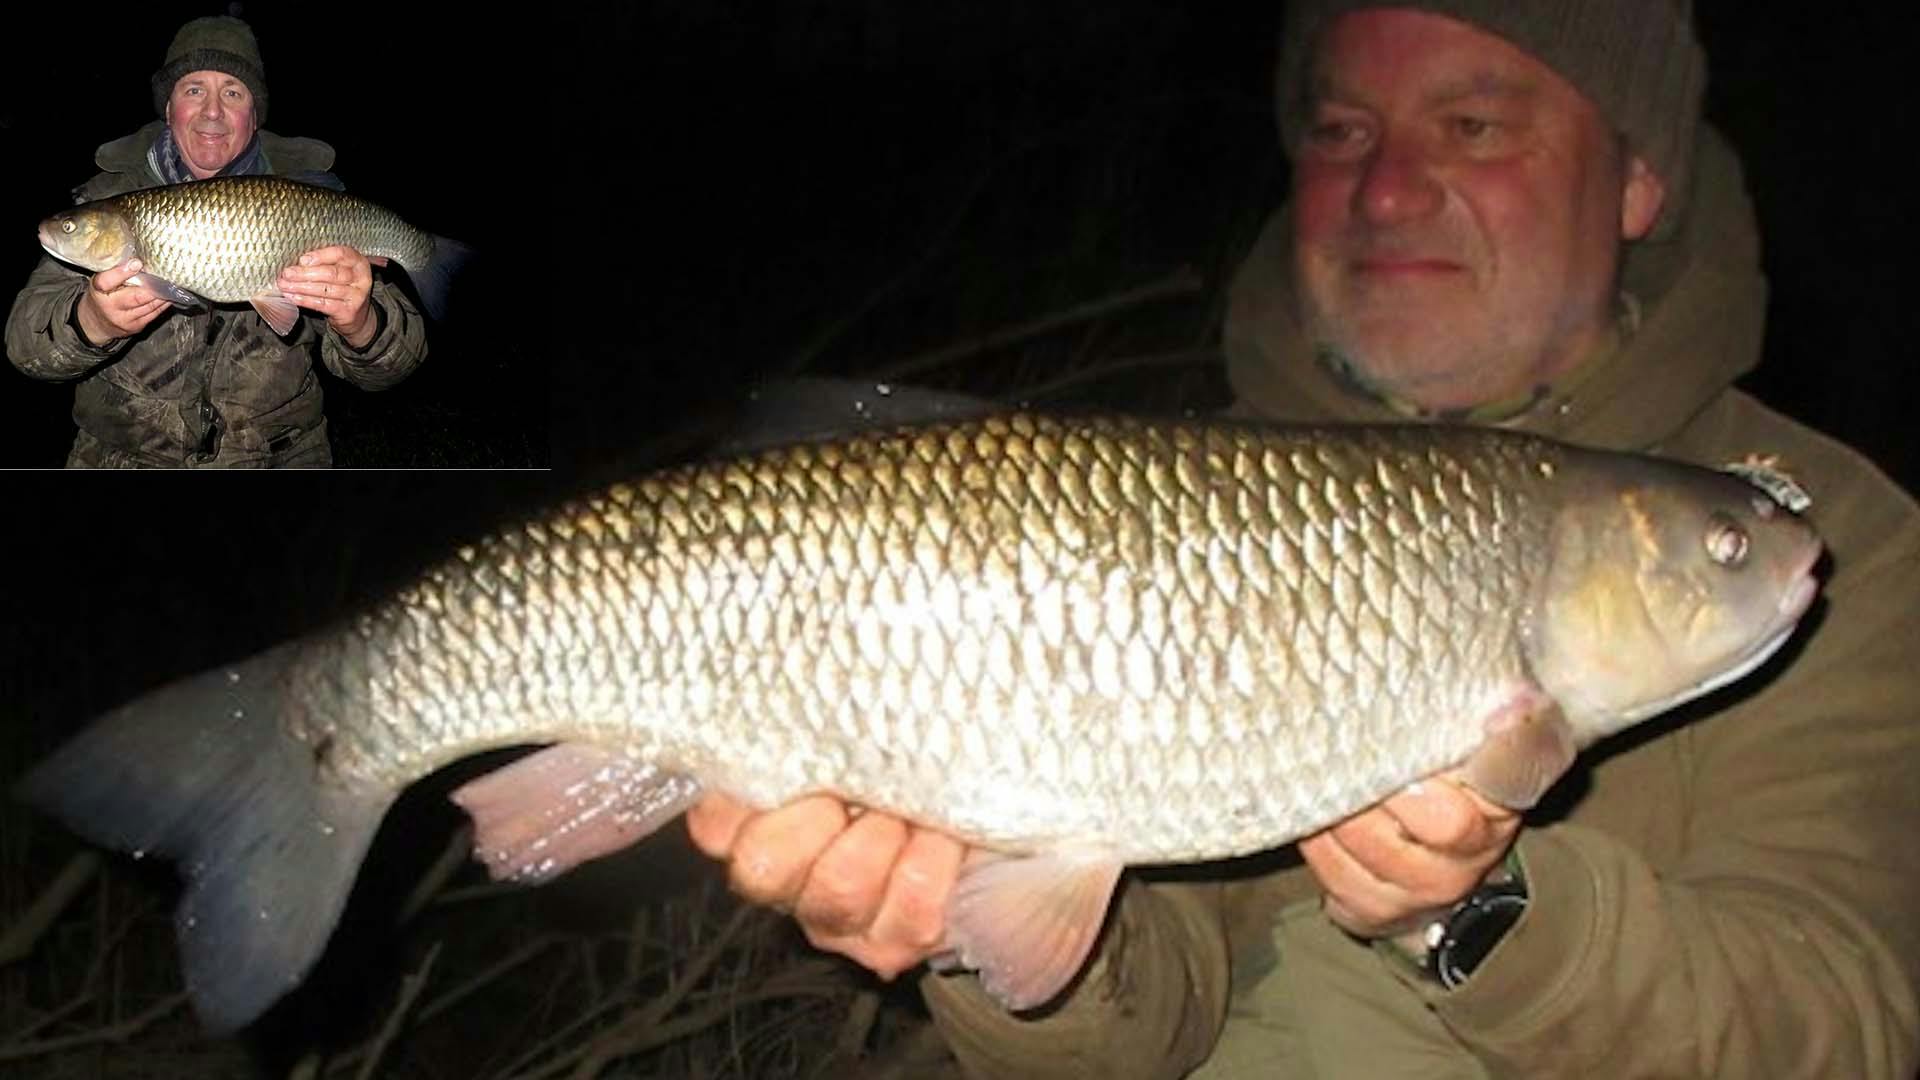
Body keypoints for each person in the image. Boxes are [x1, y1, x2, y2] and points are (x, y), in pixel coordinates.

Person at [687, 1, 1920, 1076]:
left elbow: (1845, 1038)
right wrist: (946, 904)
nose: (1385, 187)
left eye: (1473, 125)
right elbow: (1129, 1034)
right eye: (1340, 132)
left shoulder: (1852, 531)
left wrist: (1479, 916)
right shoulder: (1189, 504)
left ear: (1637, 177)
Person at [4, 15, 430, 468]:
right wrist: (92, 321)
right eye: (193, 90)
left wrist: (360, 323)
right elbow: (24, 349)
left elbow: (398, 365)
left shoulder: (303, 202)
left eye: (232, 92)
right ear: (168, 109)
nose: (212, 111)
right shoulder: (106, 199)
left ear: (254, 114)